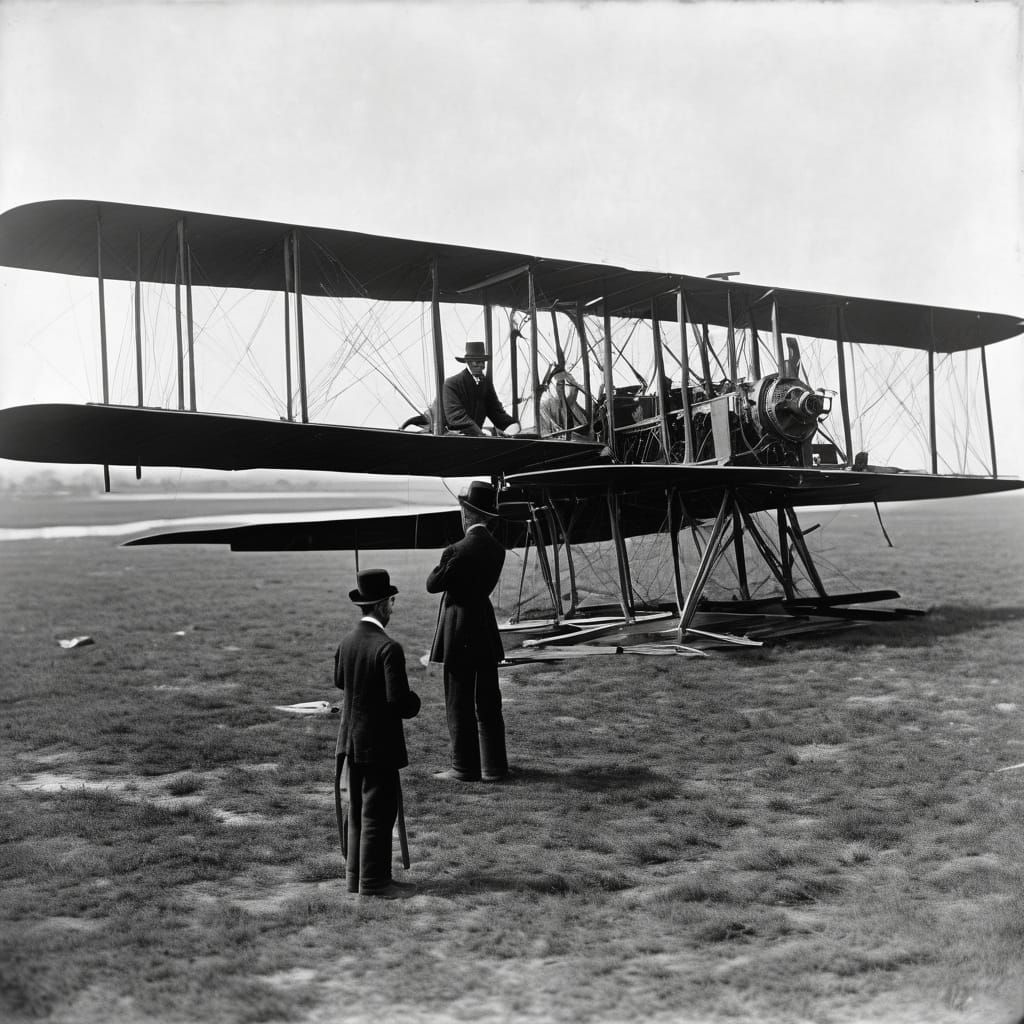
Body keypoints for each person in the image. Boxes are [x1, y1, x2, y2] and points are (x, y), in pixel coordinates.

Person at [334, 568, 421, 899]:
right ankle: (375, 883)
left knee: (356, 808)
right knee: (379, 812)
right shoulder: (389, 647)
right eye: (392, 602)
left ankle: (355, 877)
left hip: (350, 741)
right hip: (378, 743)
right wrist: (415, 703)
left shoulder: (347, 641)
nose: (392, 608)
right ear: (383, 605)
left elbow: (341, 681)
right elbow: (399, 701)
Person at [426, 481, 509, 782]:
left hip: (459, 630)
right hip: (485, 627)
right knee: (488, 700)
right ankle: (495, 766)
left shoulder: (455, 550)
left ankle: (464, 767)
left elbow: (432, 584)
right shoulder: (497, 550)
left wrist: (446, 561)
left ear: (468, 514)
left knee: (458, 701)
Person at [442, 341, 521, 437]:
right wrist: (482, 433)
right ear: (469, 363)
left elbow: (496, 412)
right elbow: (457, 418)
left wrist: (512, 426)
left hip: (478, 438)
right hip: (453, 439)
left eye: (483, 362)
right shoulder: (451, 384)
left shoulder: (486, 384)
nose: (482, 366)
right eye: (478, 362)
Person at [538, 368, 589, 440]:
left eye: (563, 384)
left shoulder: (570, 405)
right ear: (552, 386)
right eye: (559, 384)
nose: (561, 388)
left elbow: (583, 425)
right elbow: (545, 432)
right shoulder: (545, 405)